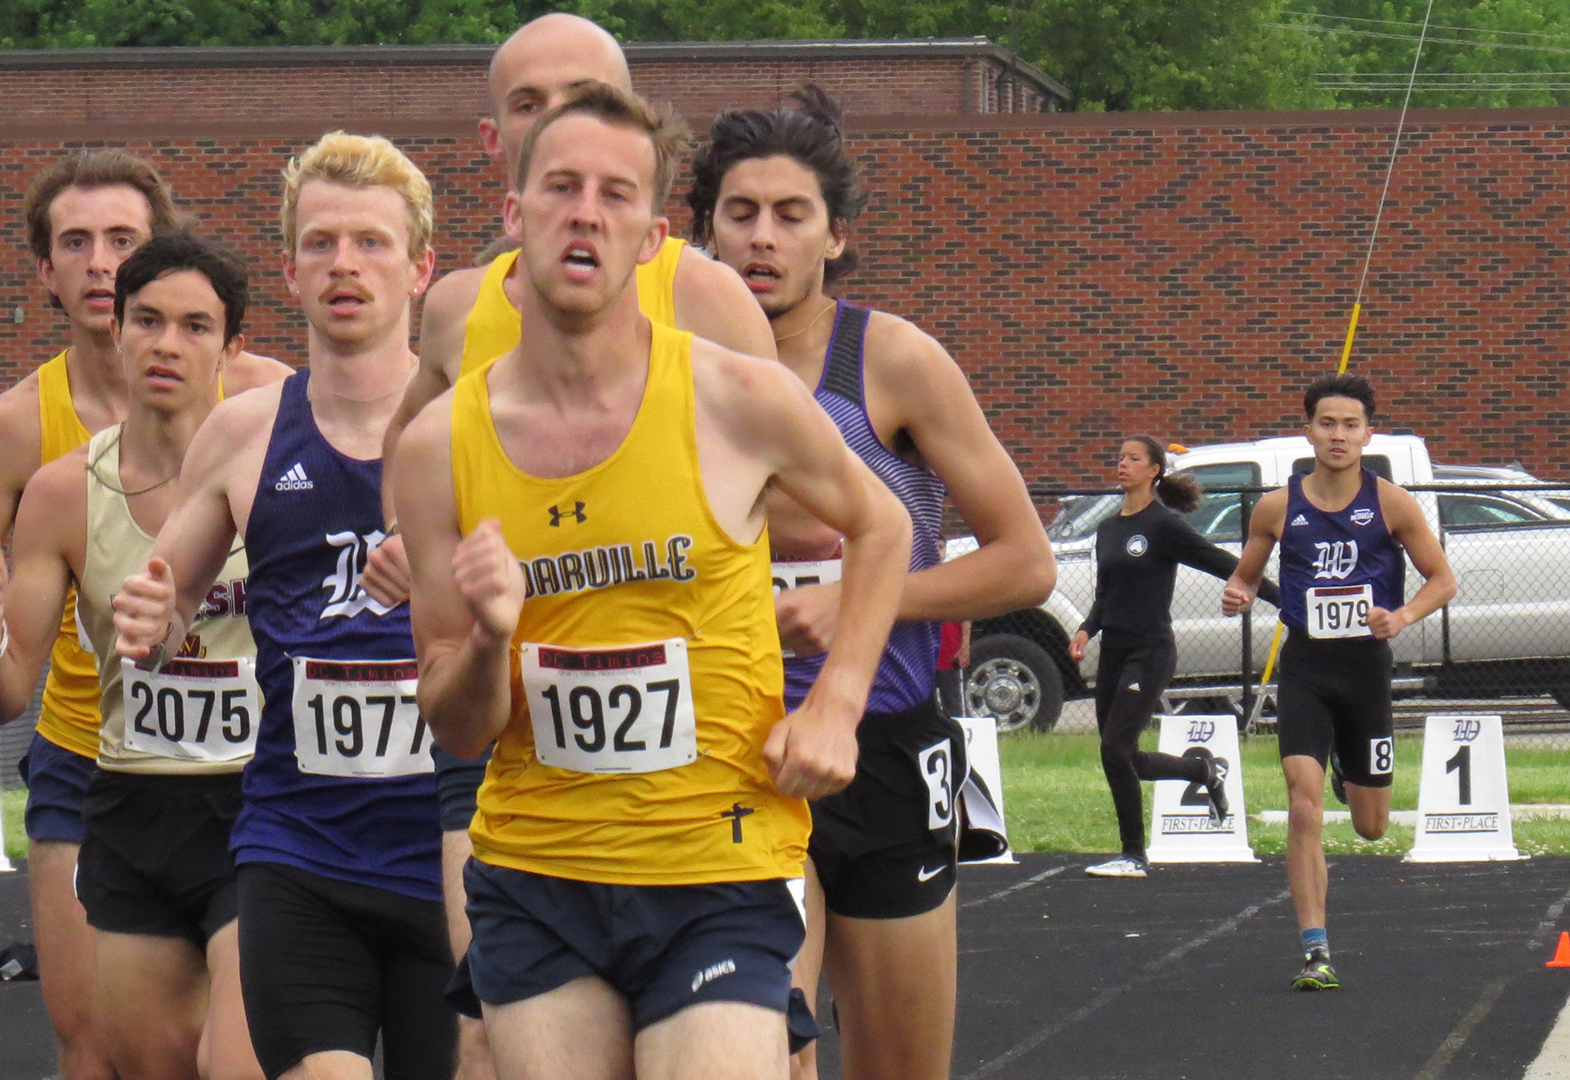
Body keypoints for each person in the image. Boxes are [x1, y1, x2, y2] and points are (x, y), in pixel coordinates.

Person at [394, 82, 912, 1080]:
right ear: (513, 213)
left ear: (653, 236)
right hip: (539, 869)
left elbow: (881, 523)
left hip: (717, 857)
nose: (585, 211)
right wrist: (494, 640)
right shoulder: (433, 450)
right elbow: (456, 726)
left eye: (616, 194)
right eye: (560, 187)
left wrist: (839, 705)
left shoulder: (735, 397)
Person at [360, 18, 779, 1076]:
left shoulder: (703, 293)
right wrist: (412, 546)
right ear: (496, 143)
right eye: (532, 106)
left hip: (700, 766)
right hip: (511, 729)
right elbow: (407, 462)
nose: (561, 122)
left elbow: (796, 499)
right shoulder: (457, 304)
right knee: (485, 1046)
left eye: (587, 96)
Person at [0, 149, 289, 1080]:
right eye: (75, 242)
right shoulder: (22, 429)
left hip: (254, 760)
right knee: (94, 1041)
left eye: (124, 240)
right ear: (46, 270)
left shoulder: (269, 398)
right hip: (95, 758)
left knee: (240, 1050)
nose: (101, 263)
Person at [690, 87, 1055, 1080]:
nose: (761, 239)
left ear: (837, 237)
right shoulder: (665, 371)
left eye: (790, 215)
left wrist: (865, 598)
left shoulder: (890, 361)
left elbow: (1024, 560)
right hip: (732, 756)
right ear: (704, 229)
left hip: (883, 748)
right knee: (762, 1048)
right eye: (740, 213)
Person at [113, 133, 457, 1080]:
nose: (344, 265)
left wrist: (442, 578)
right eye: (320, 243)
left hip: (452, 851)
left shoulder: (477, 423)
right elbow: (169, 597)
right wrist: (151, 621)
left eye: (373, 243)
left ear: (423, 267)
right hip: (297, 851)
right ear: (290, 268)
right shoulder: (245, 431)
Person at [1223, 373, 1455, 991]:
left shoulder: (1392, 502)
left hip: (1365, 673)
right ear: (1308, 430)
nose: (1338, 435)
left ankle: (1349, 768)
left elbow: (1442, 579)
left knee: (1371, 824)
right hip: (1305, 667)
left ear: (1367, 434)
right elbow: (1246, 575)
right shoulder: (1277, 506)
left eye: (1350, 424)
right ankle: (1315, 951)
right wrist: (1238, 593)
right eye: (1327, 422)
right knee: (1304, 806)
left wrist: (1400, 616)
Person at [1067, 435, 1280, 879]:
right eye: (1120, 456)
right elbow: (1106, 597)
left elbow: (1222, 563)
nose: (1122, 463)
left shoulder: (1163, 526)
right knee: (1120, 756)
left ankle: (1133, 855)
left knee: (1114, 748)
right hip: (1115, 652)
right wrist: (1087, 628)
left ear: (1154, 471)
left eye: (1133, 458)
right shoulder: (1108, 530)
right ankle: (1202, 771)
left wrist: (1285, 602)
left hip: (1151, 651)